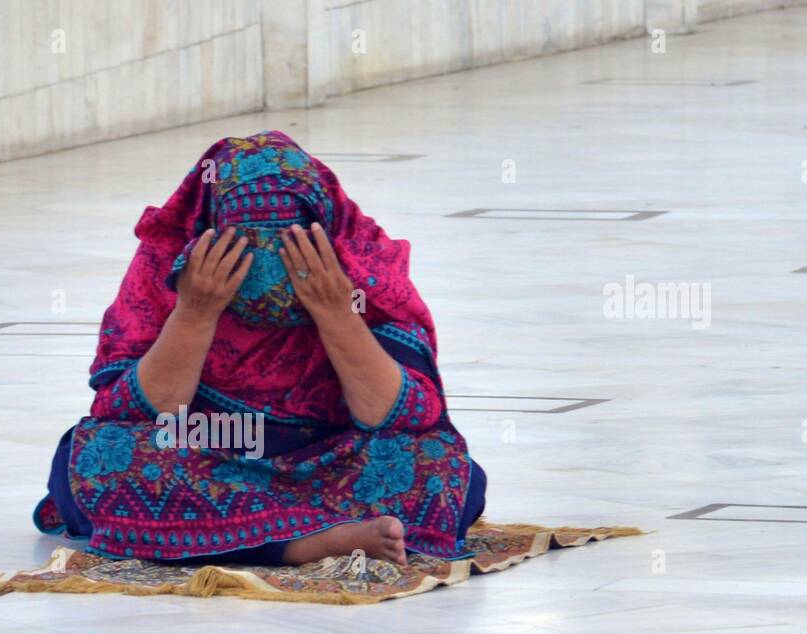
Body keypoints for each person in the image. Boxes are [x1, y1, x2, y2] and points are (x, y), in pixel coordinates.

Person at [33, 131, 485, 566]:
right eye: (248, 244)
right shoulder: (167, 270)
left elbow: (401, 415)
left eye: (287, 244)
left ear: (319, 231)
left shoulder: (361, 270)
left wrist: (336, 313)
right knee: (100, 457)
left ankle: (265, 535)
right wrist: (194, 313)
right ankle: (313, 541)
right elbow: (134, 412)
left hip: (333, 453)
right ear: (212, 232)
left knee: (443, 468)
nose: (269, 263)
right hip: (208, 445)